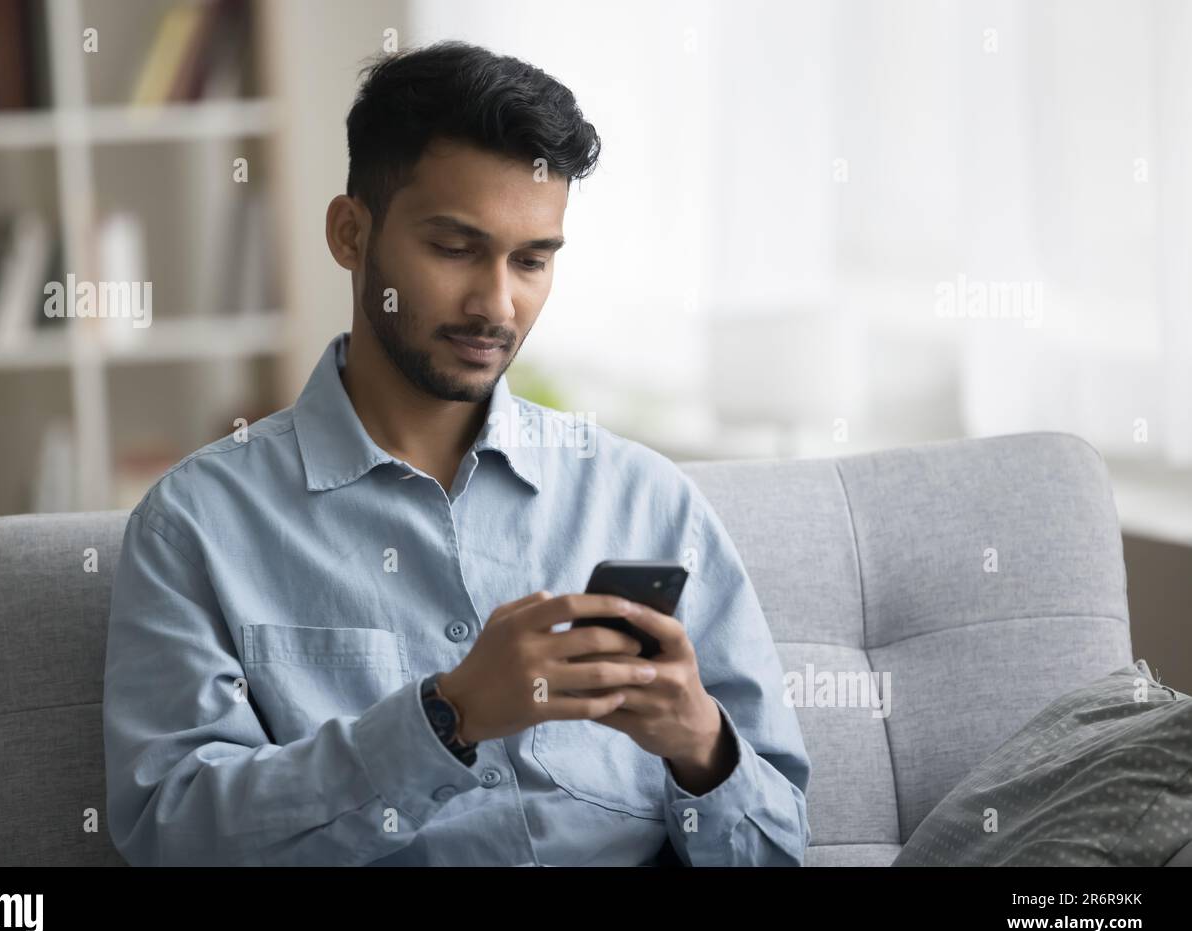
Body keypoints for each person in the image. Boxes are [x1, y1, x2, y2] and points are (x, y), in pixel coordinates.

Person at [102, 39, 810, 866]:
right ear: (349, 233)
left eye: (532, 259)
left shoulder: (649, 501)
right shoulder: (194, 525)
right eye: (455, 248)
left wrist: (701, 747)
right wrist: (446, 718)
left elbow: (781, 849)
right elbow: (176, 833)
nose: (496, 304)